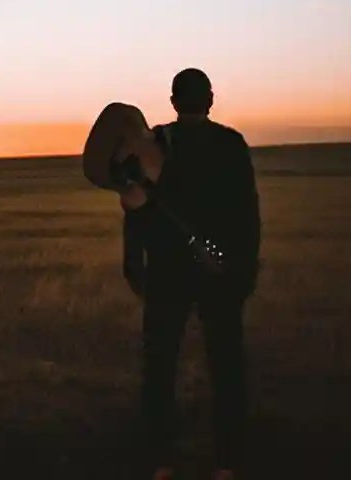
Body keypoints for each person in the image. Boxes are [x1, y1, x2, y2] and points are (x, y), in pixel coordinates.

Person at [115, 69, 261, 480]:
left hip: (166, 271)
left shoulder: (154, 144)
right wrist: (244, 271)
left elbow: (134, 208)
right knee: (227, 367)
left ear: (174, 101)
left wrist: (133, 261)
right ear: (210, 99)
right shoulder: (231, 144)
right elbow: (248, 215)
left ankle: (161, 462)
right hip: (220, 273)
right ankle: (227, 463)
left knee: (160, 368)